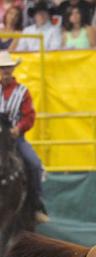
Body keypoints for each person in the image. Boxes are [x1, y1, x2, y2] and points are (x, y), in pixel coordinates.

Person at [0, 51, 47, 222]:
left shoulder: (22, 92)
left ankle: (36, 204)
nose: (5, 71)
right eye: (3, 68)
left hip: (14, 138)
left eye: (8, 67)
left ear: (13, 69)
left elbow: (29, 116)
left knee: (34, 163)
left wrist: (18, 129)